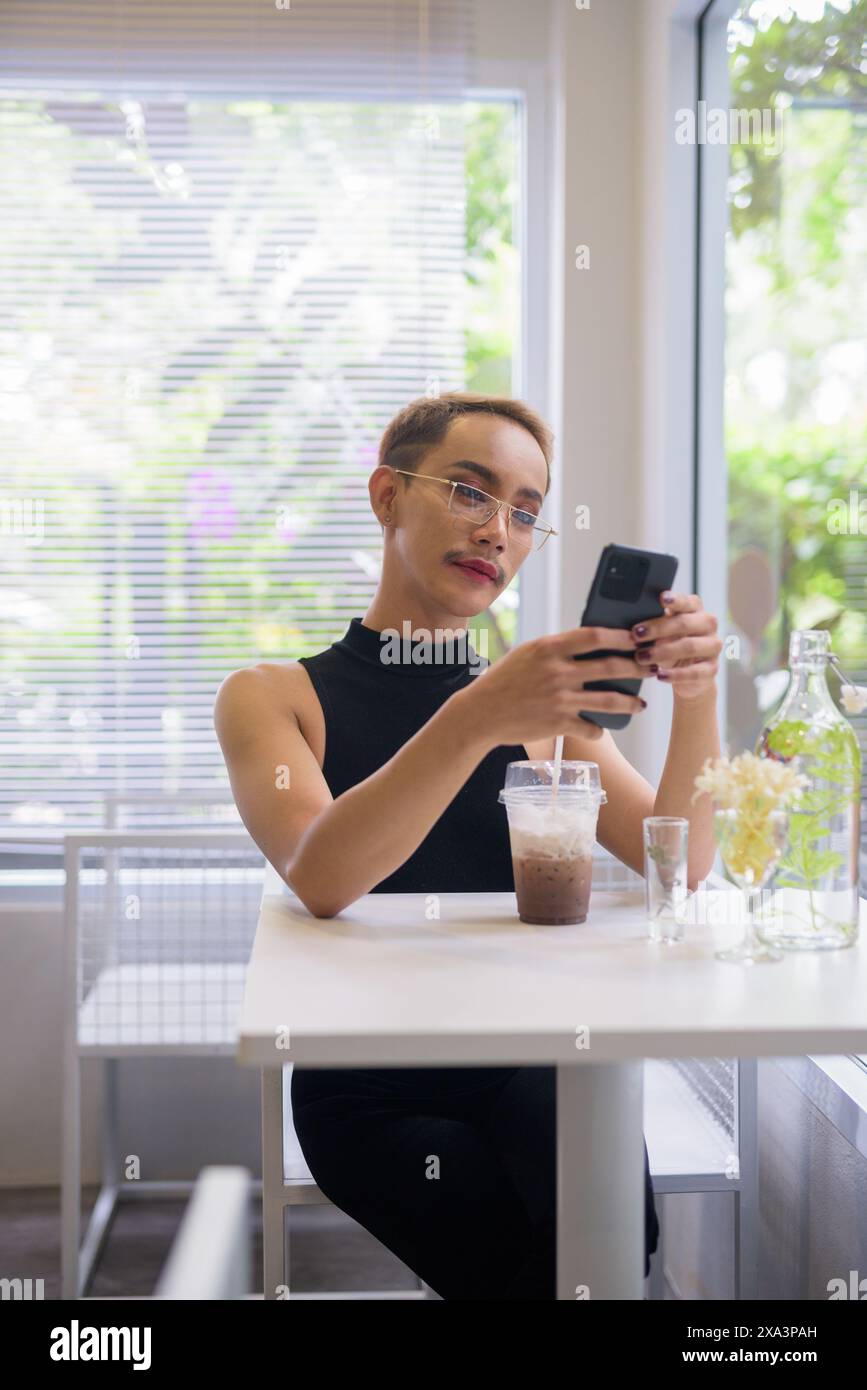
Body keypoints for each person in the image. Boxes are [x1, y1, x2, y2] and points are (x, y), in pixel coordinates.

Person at [215, 392, 723, 1298]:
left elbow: (675, 866)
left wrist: (696, 696)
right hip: (367, 1082)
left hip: (534, 1056)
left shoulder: (538, 708)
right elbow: (323, 875)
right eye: (468, 491)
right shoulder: (271, 697)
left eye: (526, 512)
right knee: (503, 1258)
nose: (497, 530)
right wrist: (476, 714)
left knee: (605, 1244)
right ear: (386, 495)